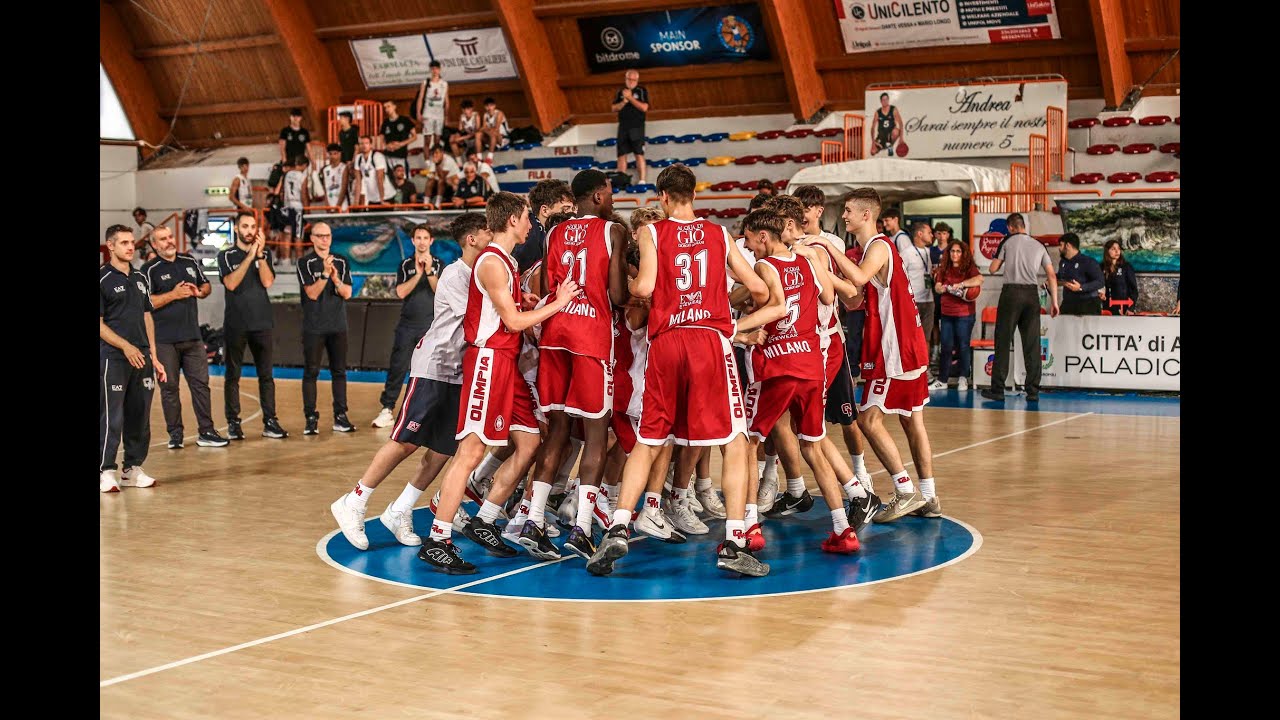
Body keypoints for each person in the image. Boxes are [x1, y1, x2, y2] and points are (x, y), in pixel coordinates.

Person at [586, 164, 781, 579]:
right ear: (694, 194)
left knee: (649, 440)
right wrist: (724, 299)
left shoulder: (651, 232)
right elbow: (760, 290)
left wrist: (631, 287)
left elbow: (643, 288)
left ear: (662, 197)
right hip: (708, 341)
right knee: (734, 441)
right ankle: (734, 541)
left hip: (666, 342)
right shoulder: (718, 234)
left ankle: (618, 526)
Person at [417, 192, 581, 574]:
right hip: (489, 361)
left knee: (530, 441)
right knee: (470, 453)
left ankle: (485, 518)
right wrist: (556, 304)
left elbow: (509, 310)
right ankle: (437, 539)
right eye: (526, 218)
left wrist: (526, 300)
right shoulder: (492, 261)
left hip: (508, 363)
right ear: (512, 221)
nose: (531, 225)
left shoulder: (507, 261)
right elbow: (512, 322)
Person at [331, 214, 491, 551]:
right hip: (434, 366)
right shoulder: (455, 274)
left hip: (459, 372)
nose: (493, 237)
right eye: (488, 232)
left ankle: (400, 509)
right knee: (406, 441)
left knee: (443, 450)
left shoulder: (481, 274)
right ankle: (354, 500)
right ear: (473, 238)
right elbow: (479, 321)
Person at [812, 188, 940, 522]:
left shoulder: (880, 246)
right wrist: (822, 273)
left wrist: (826, 246)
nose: (844, 216)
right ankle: (929, 497)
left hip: (895, 348)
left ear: (866, 214)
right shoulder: (873, 250)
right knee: (912, 421)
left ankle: (905, 491)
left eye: (849, 210)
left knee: (868, 419)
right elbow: (854, 298)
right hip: (907, 345)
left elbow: (858, 277)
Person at [739, 208, 861, 554]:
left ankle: (750, 524)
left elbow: (769, 305)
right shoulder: (808, 261)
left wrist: (736, 325)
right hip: (811, 365)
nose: (748, 248)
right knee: (813, 446)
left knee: (748, 443)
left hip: (777, 364)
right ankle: (843, 529)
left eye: (750, 240)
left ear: (764, 236)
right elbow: (828, 298)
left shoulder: (765, 266)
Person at [521, 169, 628, 561]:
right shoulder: (613, 231)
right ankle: (582, 527)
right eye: (610, 193)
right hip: (589, 340)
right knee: (597, 435)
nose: (612, 199)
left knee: (558, 431)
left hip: (555, 336)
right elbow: (617, 295)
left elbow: (547, 286)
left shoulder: (553, 233)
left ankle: (533, 519)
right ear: (598, 195)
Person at [142, 226, 228, 449]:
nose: (169, 241)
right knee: (169, 389)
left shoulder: (189, 261)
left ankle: (207, 431)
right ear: (154, 245)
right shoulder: (149, 270)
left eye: (170, 237)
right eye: (163, 239)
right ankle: (175, 435)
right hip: (164, 341)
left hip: (193, 338)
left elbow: (205, 285)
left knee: (201, 386)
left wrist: (200, 292)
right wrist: (173, 295)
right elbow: (145, 303)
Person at [100, 225, 167, 492]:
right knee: (112, 417)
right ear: (110, 246)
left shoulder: (140, 277)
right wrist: (126, 347)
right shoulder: (103, 278)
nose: (131, 247)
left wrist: (153, 354)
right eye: (124, 243)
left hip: (142, 358)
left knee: (140, 416)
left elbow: (147, 316)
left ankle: (132, 469)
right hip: (114, 358)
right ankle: (105, 470)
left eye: (132, 242)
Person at [218, 211, 288, 440]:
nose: (249, 231)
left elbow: (267, 281)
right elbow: (231, 284)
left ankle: (270, 421)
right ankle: (233, 423)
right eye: (245, 226)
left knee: (266, 375)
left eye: (252, 227)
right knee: (233, 376)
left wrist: (259, 257)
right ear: (236, 229)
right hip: (236, 324)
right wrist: (249, 257)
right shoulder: (226, 255)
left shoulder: (264, 254)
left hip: (262, 322)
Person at [982, 213, 1060, 403]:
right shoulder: (1039, 245)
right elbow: (1051, 275)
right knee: (1032, 344)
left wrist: (1003, 259)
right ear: (1023, 226)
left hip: (1011, 294)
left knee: (1003, 341)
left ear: (1010, 227)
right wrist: (1055, 302)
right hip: (1031, 295)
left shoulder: (1007, 242)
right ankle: (1033, 391)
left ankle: (997, 389)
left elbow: (992, 268)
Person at [372, 223, 440, 428]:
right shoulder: (405, 265)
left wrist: (429, 271)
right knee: (398, 367)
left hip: (431, 326)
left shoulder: (439, 264)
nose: (422, 242)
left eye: (425, 238)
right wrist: (418, 274)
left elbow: (441, 292)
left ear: (431, 241)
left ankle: (427, 412)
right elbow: (400, 292)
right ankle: (387, 409)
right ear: (413, 241)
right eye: (418, 238)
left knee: (429, 370)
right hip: (407, 325)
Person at [297, 222, 355, 435]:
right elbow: (311, 294)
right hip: (314, 326)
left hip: (338, 325)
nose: (324, 239)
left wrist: (335, 278)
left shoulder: (342, 261)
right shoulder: (305, 262)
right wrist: (323, 274)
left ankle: (340, 416)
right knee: (311, 372)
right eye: (320, 236)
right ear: (312, 238)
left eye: (328, 235)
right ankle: (310, 418)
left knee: (339, 371)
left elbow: (347, 293)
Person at [929, 239, 983, 391]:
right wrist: (942, 288)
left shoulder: (969, 268)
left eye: (958, 251)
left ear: (963, 253)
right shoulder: (944, 268)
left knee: (963, 346)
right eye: (952, 251)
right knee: (946, 347)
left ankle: (963, 378)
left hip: (964, 314)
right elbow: (937, 286)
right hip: (947, 313)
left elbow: (980, 279)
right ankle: (942, 380)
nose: (955, 254)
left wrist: (962, 284)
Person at [898, 220, 936, 375]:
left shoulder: (928, 252)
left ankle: (925, 369)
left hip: (929, 300)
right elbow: (898, 277)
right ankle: (908, 368)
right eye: (929, 232)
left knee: (926, 337)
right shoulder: (906, 253)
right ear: (920, 234)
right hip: (913, 301)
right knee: (910, 337)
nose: (932, 235)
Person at [513, 179, 574, 273]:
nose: (572, 214)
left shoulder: (541, 232)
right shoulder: (528, 237)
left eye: (573, 209)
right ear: (545, 210)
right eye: (565, 209)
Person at [612, 70, 650, 184]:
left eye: (634, 80)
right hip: (623, 126)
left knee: (638, 153)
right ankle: (621, 181)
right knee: (621, 154)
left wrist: (630, 98)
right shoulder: (620, 91)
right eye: (629, 79)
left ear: (637, 80)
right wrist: (624, 101)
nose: (631, 82)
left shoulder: (641, 90)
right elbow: (614, 108)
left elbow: (644, 108)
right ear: (626, 79)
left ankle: (642, 180)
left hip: (637, 127)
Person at [1056, 233, 1104, 315]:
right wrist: (1050, 280)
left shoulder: (1088, 262)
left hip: (1088, 304)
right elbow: (1060, 277)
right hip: (1068, 303)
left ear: (1067, 245)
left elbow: (1100, 281)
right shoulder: (1063, 262)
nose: (1059, 248)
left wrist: (1081, 287)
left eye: (1060, 245)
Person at [352, 135, 395, 208]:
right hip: (372, 198)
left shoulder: (377, 156)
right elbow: (358, 182)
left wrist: (382, 200)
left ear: (371, 145)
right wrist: (356, 202)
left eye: (366, 143)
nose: (364, 146)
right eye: (361, 143)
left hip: (386, 196)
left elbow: (380, 179)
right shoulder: (358, 158)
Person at [415, 61, 448, 154]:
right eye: (433, 69)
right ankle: (427, 161)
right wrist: (418, 113)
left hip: (439, 114)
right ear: (430, 70)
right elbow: (420, 98)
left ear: (439, 70)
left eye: (436, 68)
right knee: (427, 139)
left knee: (437, 140)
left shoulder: (444, 84)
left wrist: (446, 116)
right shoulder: (425, 83)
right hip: (428, 114)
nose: (435, 71)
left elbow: (446, 101)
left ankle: (435, 159)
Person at [1100, 239, 1139, 314]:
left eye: (1118, 249)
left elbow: (1134, 290)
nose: (1117, 251)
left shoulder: (1126, 267)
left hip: (1123, 307)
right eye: (1113, 249)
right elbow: (1099, 286)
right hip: (1106, 307)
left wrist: (1131, 308)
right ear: (1107, 251)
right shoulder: (1101, 267)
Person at [380, 100, 417, 177]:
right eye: (385, 108)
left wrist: (401, 144)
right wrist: (386, 146)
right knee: (390, 178)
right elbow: (382, 138)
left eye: (388, 106)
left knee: (402, 177)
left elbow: (414, 136)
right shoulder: (385, 123)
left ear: (394, 107)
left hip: (401, 155)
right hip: (388, 156)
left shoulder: (405, 120)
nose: (387, 109)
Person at [423, 144, 460, 209]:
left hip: (452, 180)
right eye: (433, 153)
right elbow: (432, 173)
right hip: (442, 180)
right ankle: (425, 204)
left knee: (441, 180)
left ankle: (438, 203)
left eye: (436, 153)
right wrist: (431, 175)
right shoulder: (433, 159)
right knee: (430, 181)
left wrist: (437, 164)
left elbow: (442, 176)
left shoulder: (448, 160)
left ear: (442, 152)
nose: (435, 155)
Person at [870, 92, 903, 157]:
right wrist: (873, 142)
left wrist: (901, 138)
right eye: (883, 100)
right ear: (881, 101)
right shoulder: (877, 112)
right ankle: (882, 145)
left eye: (886, 99)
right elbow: (872, 128)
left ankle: (890, 145)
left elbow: (901, 123)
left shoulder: (893, 109)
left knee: (896, 131)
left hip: (890, 135)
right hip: (881, 136)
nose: (885, 101)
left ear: (888, 100)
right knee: (872, 152)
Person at [479, 97, 508, 161]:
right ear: (484, 107)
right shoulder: (485, 115)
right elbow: (483, 128)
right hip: (491, 137)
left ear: (494, 106)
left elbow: (496, 128)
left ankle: (489, 158)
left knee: (493, 132)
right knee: (478, 134)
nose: (489, 108)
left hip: (502, 137)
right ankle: (479, 157)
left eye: (491, 105)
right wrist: (485, 129)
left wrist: (486, 129)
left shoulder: (499, 113)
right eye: (487, 106)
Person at [320, 143, 348, 209]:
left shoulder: (343, 167)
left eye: (335, 153)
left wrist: (338, 206)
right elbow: (325, 189)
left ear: (339, 154)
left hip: (342, 205)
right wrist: (327, 204)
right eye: (330, 154)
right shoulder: (325, 169)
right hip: (330, 202)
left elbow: (344, 188)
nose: (332, 156)